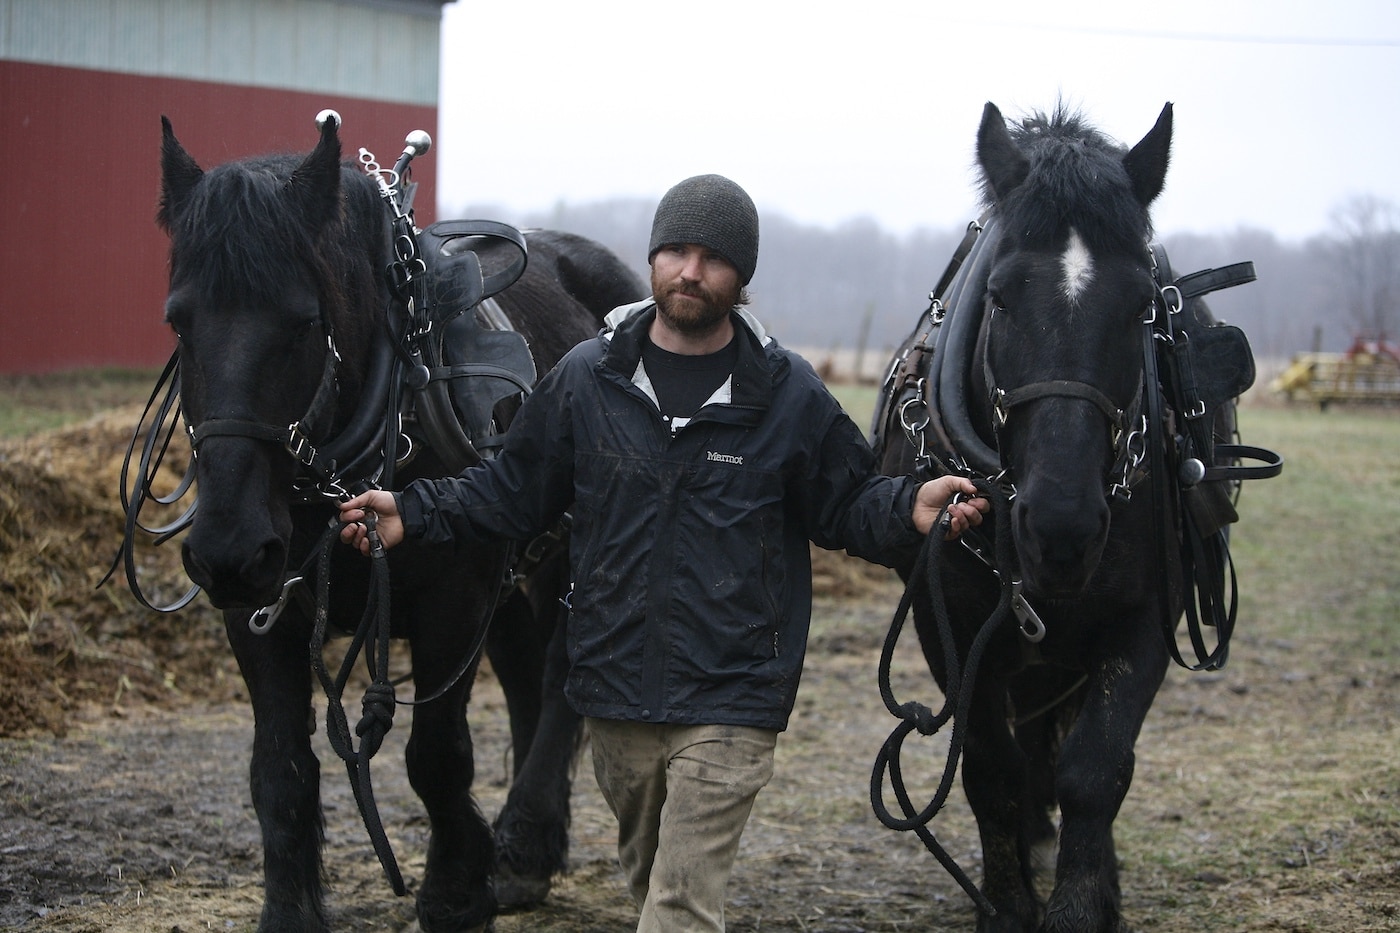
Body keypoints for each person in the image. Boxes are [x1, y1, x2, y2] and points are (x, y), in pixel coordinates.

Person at [339, 174, 987, 932]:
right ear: (652, 259)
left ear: (741, 277)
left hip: (734, 692)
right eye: (676, 251)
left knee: (680, 904)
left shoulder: (787, 395)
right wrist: (413, 511)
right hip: (616, 689)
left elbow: (844, 503)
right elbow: (511, 491)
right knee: (652, 879)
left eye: (714, 258)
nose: (690, 271)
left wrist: (907, 507)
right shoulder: (586, 379)